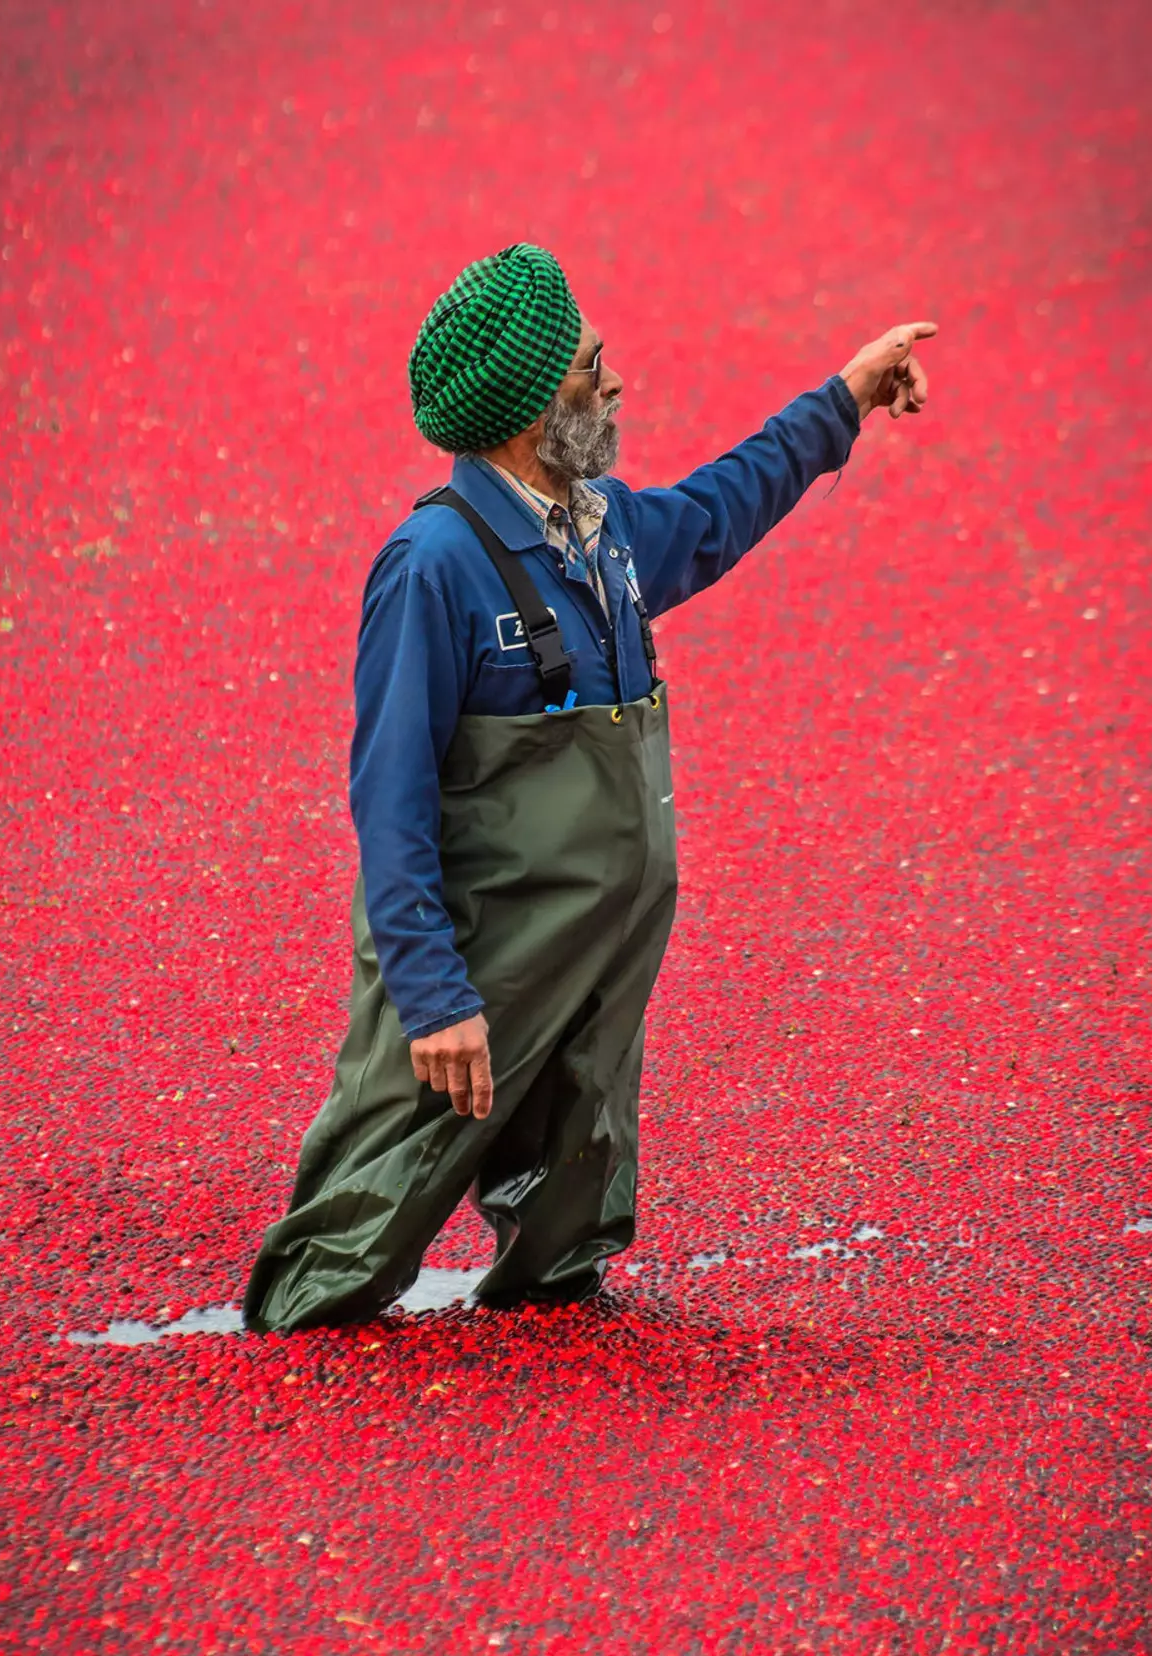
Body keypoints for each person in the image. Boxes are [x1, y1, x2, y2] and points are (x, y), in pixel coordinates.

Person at [242, 242, 935, 1334]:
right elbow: (390, 794)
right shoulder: (435, 563)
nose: (612, 382)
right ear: (527, 410)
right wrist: (433, 999)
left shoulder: (602, 535)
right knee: (360, 1223)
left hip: (601, 962)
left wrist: (843, 398)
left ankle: (542, 1353)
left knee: (576, 1192)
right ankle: (287, 1381)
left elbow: (721, 506)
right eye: (589, 366)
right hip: (479, 964)